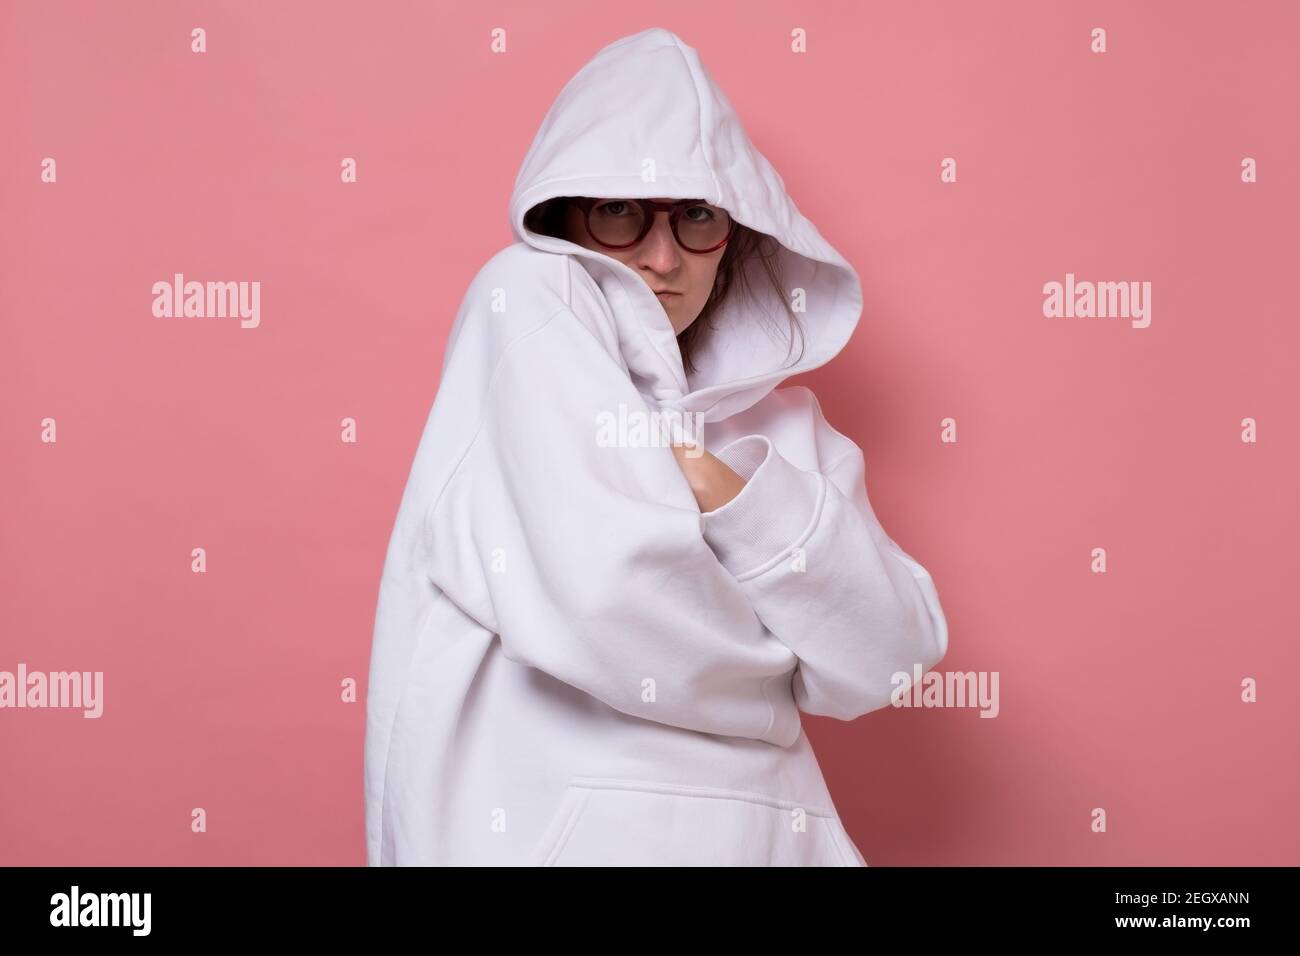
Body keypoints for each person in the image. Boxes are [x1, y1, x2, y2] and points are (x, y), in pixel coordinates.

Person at [363, 26, 948, 866]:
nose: (663, 256)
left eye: (698, 216)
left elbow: (890, 659)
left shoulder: (789, 429)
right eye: (620, 213)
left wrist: (722, 485)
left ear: (738, 236)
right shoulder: (523, 299)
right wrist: (786, 678)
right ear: (566, 218)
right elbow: (611, 599)